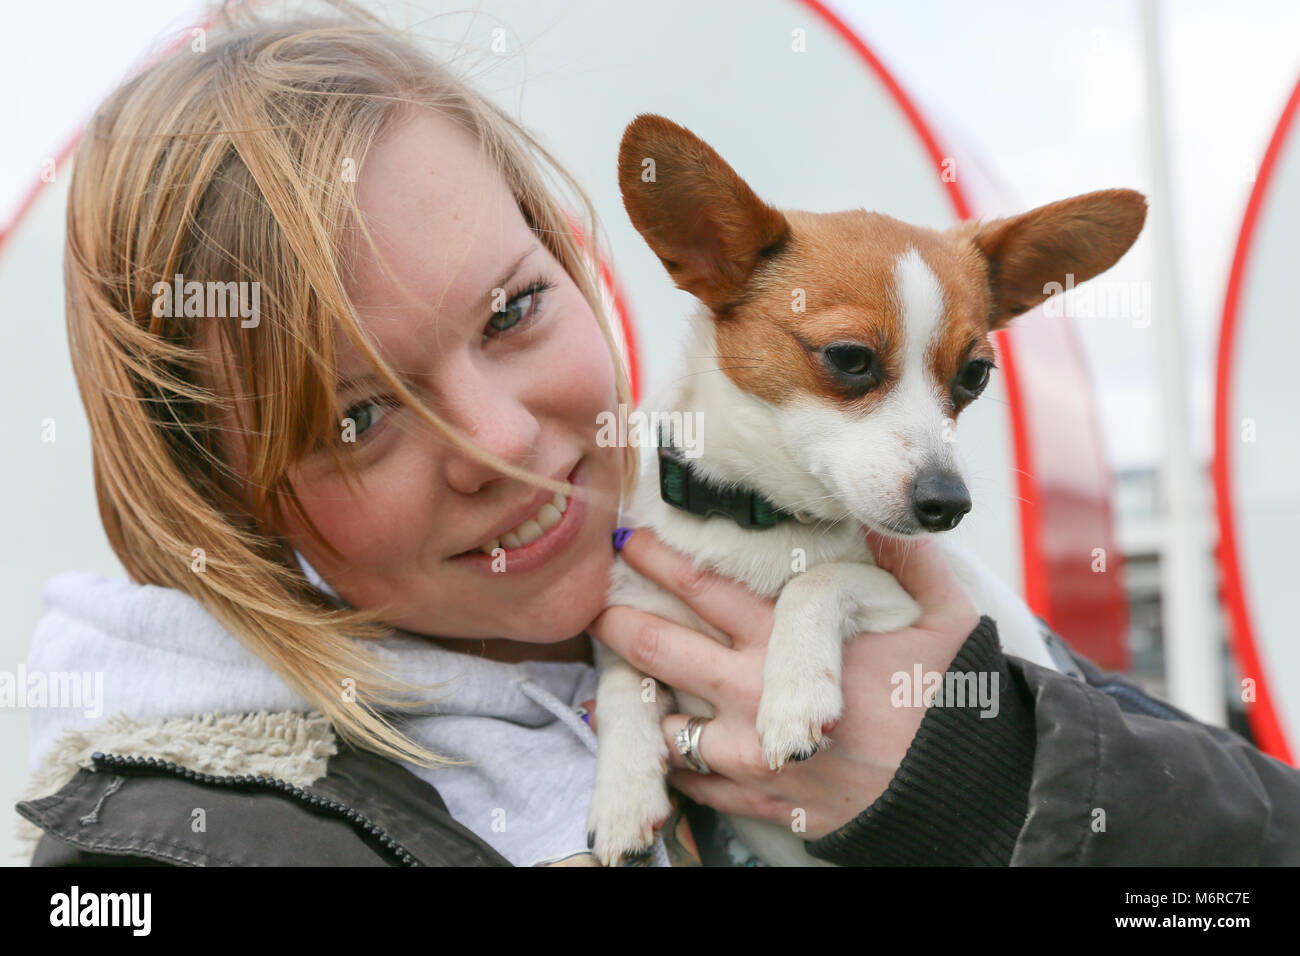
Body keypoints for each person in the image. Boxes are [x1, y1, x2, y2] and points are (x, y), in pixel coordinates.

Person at [16, 2, 1300, 867]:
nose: (497, 438)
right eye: (357, 417)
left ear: (585, 262)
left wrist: (991, 776)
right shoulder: (166, 839)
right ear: (216, 491)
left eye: (513, 311)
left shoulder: (874, 596)